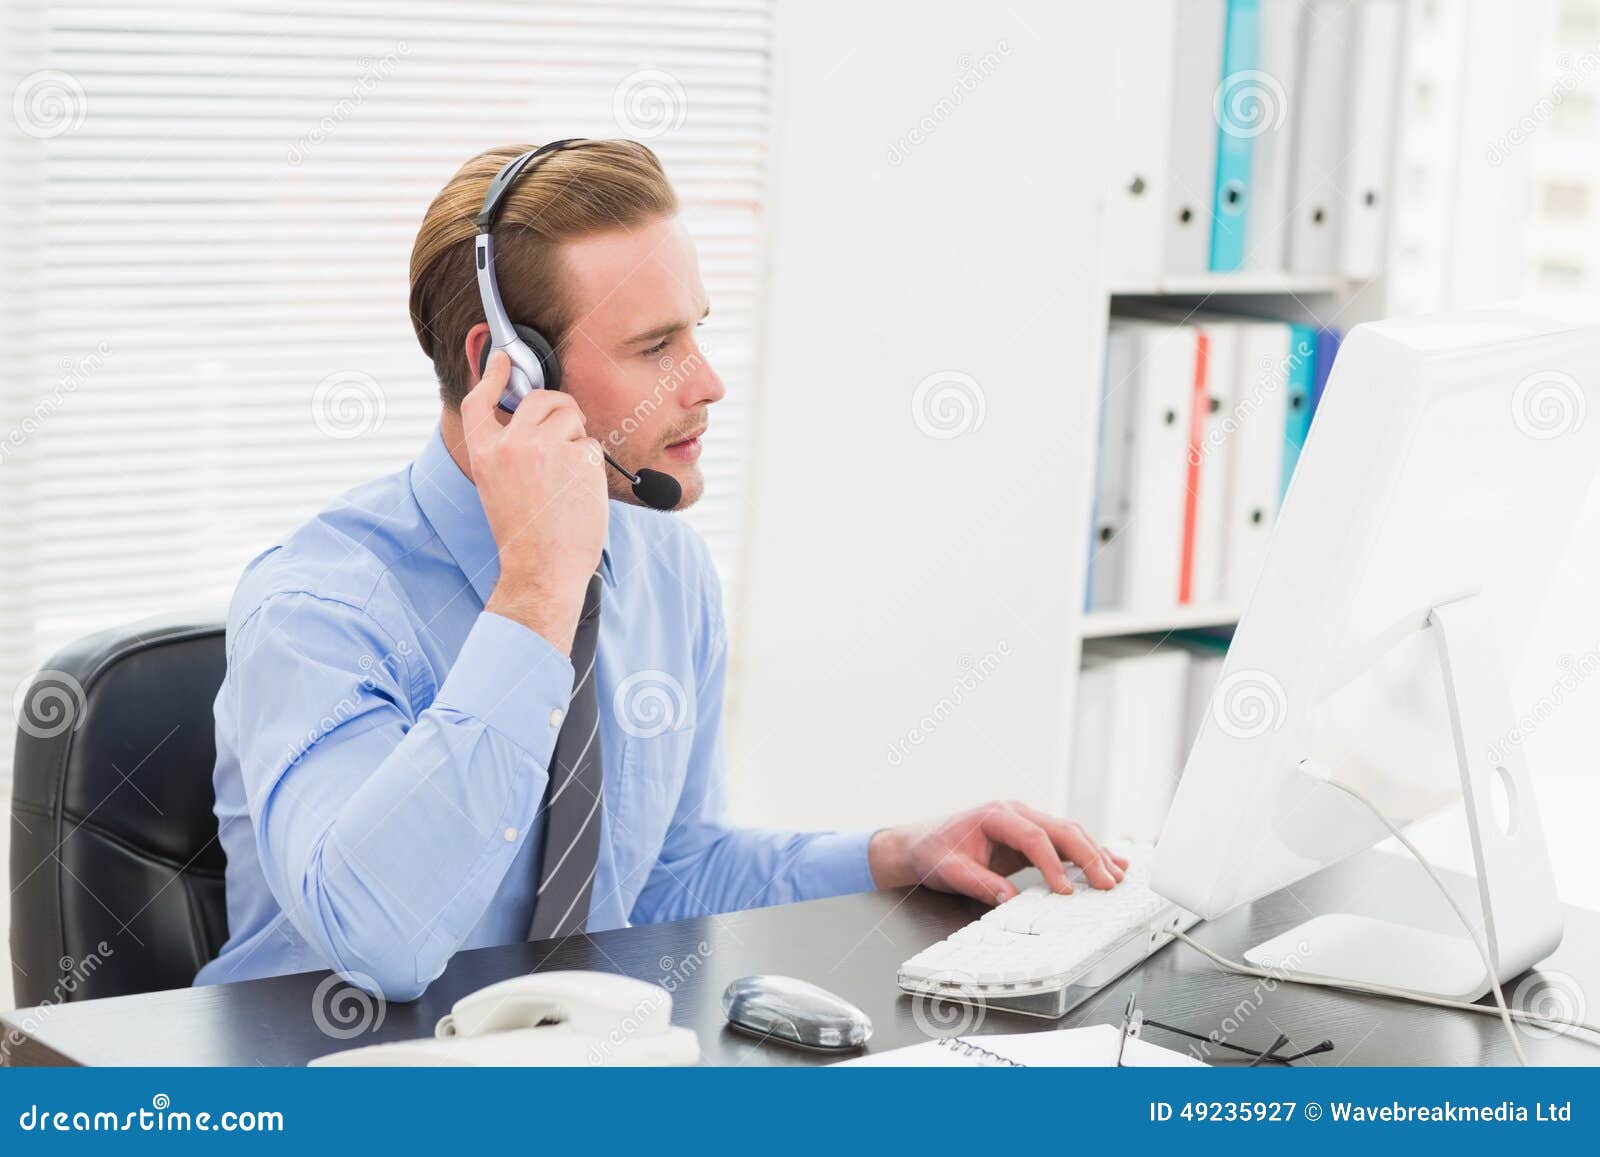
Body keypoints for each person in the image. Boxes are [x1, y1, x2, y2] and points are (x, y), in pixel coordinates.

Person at [196, 140, 1127, 1000]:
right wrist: (535, 594)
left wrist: (887, 857)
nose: (707, 383)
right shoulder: (317, 607)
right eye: (655, 349)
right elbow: (380, 942)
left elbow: (668, 872)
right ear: (510, 371)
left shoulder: (661, 562)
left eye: (698, 333)